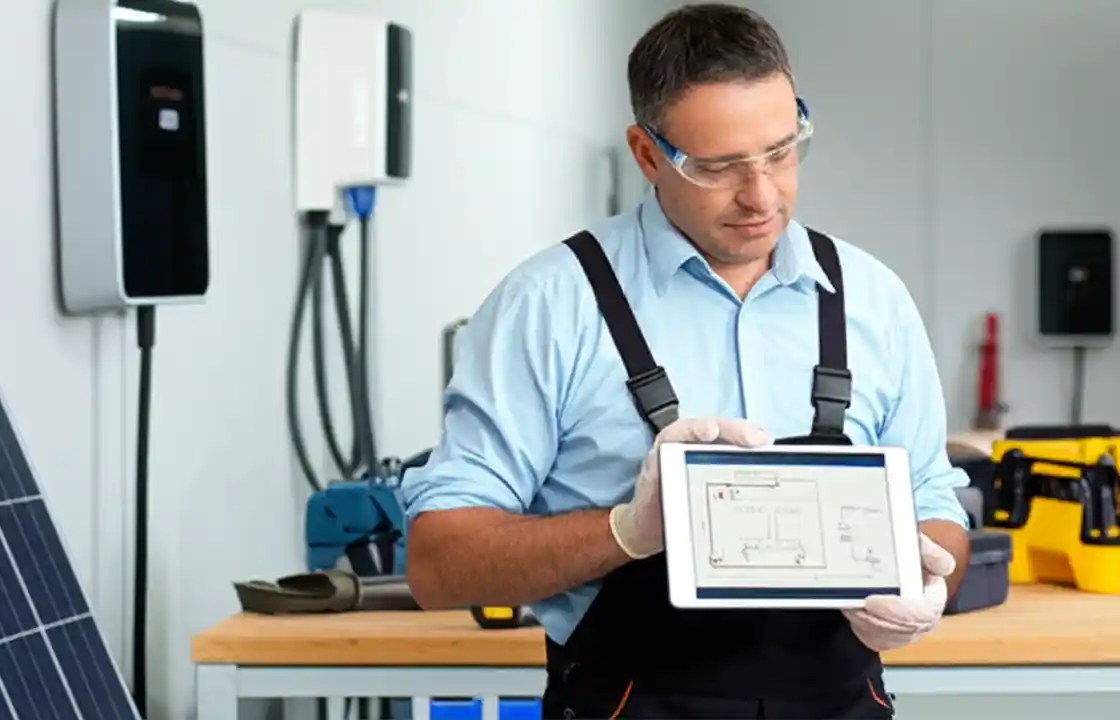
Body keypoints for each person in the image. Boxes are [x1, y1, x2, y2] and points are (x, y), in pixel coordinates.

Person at [400, 3, 971, 718]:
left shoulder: (872, 300)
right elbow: (439, 564)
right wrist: (627, 531)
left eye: (780, 151)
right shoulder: (548, 306)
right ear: (647, 155)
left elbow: (936, 504)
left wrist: (927, 588)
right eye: (719, 167)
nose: (761, 195)